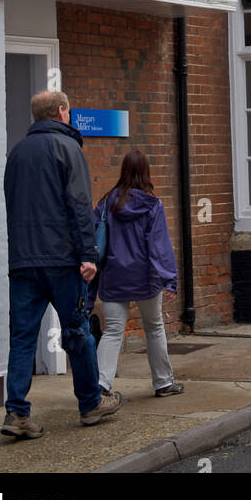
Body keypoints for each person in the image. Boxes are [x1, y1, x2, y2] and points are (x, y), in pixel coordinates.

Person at [2, 90, 123, 437]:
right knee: (77, 330)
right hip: (62, 260)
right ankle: (90, 404)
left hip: (24, 260)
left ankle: (17, 413)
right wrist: (89, 256)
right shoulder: (68, 148)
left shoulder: (16, 153)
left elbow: (12, 206)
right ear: (61, 111)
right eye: (68, 109)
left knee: (22, 337)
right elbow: (80, 206)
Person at [94, 150, 183, 398]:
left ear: (123, 171)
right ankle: (163, 383)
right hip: (146, 277)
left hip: (114, 276)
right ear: (146, 172)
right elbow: (160, 245)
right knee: (154, 327)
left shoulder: (106, 204)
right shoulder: (152, 205)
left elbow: (93, 238)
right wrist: (169, 279)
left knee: (112, 331)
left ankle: (100, 386)